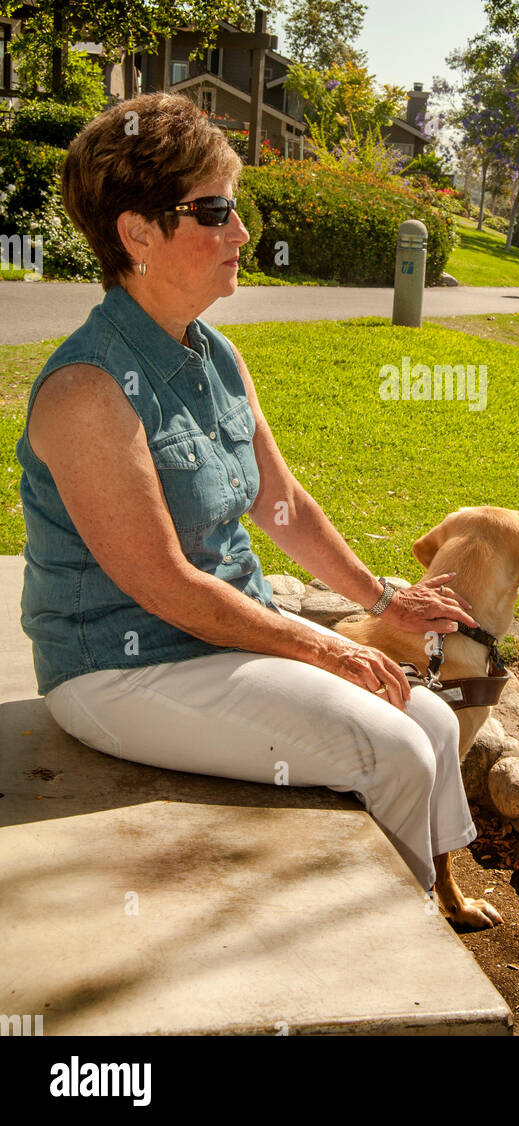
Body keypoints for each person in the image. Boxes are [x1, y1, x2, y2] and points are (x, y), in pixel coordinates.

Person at [15, 92, 481, 902]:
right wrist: (328, 645)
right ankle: (391, 970)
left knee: (434, 719)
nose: (241, 232)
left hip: (216, 643)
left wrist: (382, 598)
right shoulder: (87, 390)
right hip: (118, 672)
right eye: (215, 211)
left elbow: (283, 507)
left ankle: (429, 898)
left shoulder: (216, 352)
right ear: (138, 233)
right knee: (395, 748)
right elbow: (164, 586)